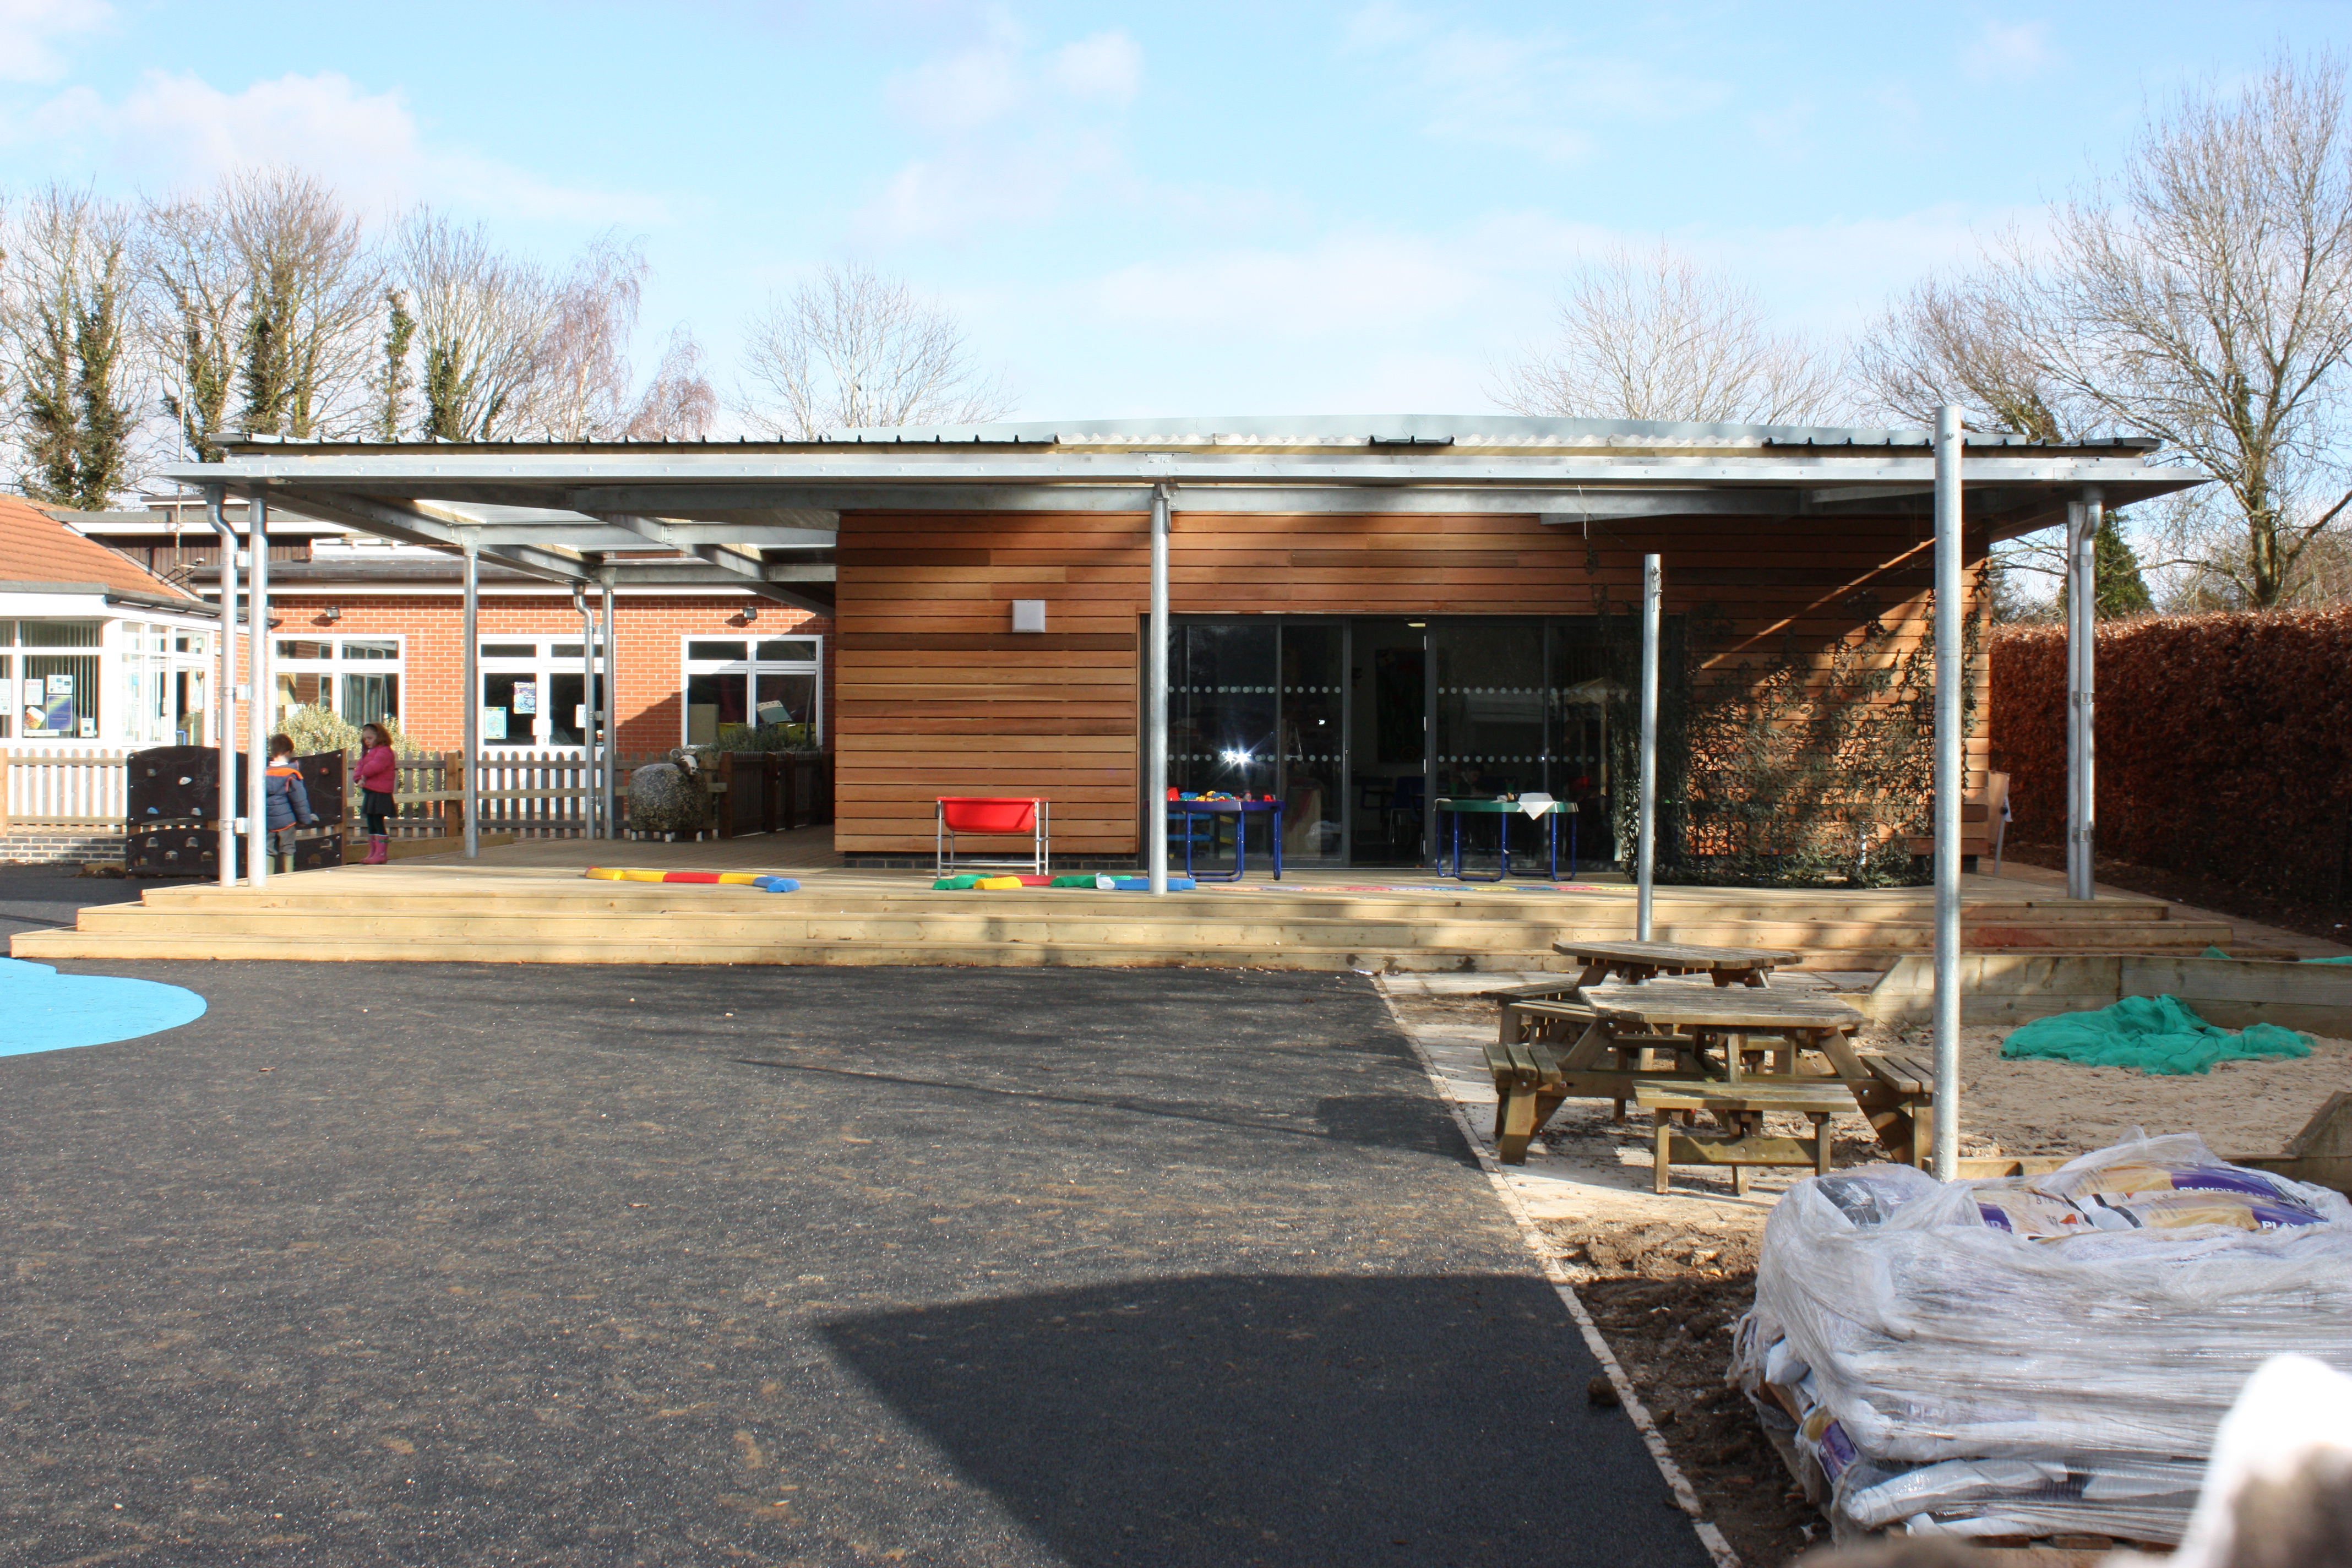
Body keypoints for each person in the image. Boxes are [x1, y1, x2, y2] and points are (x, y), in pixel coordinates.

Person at [264, 734, 318, 875]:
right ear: (288, 752)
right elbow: (299, 801)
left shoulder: (263, 774)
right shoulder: (291, 774)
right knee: (288, 847)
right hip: (286, 820)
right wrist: (305, 819)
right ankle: (288, 877)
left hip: (267, 821)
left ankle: (268, 877)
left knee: (268, 849)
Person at [355, 722, 398, 865]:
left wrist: (364, 776)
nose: (367, 741)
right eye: (365, 739)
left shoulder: (385, 751)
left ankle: (380, 854)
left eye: (370, 738)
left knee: (378, 821)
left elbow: (375, 766)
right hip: (371, 791)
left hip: (381, 792)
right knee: (371, 820)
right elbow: (361, 766)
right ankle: (373, 852)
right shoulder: (368, 753)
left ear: (379, 737)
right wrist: (358, 778)